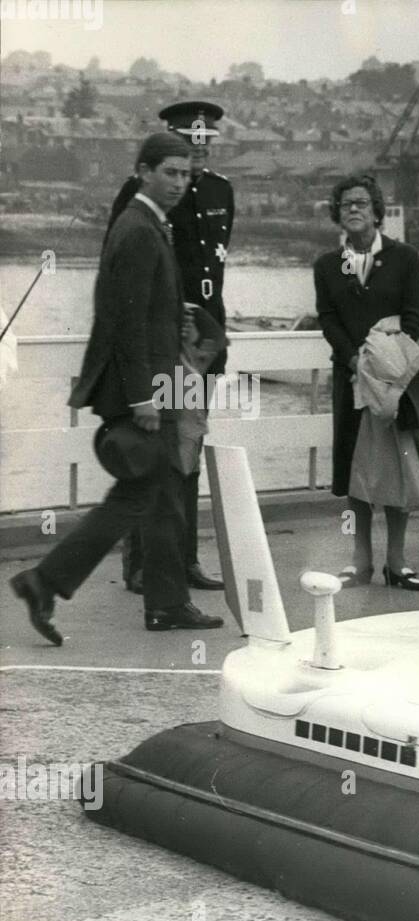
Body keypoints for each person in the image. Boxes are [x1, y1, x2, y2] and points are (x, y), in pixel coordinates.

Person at [10, 133, 225, 643]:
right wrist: (142, 398)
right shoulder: (138, 229)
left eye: (185, 174)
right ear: (143, 172)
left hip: (158, 381)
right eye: (170, 172)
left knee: (155, 495)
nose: (180, 182)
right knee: (146, 494)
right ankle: (54, 582)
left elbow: (142, 309)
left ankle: (154, 601)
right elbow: (124, 322)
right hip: (147, 391)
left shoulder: (150, 226)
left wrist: (179, 315)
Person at [109, 99, 233, 596]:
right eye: (189, 139)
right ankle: (142, 563)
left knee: (189, 451)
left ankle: (184, 558)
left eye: (205, 140)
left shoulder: (222, 189)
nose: (198, 149)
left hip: (200, 344)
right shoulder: (146, 193)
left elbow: (213, 271)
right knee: (155, 454)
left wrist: (212, 342)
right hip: (163, 346)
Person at [313, 173, 419, 590]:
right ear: (337, 214)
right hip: (350, 380)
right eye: (346, 205)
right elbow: (328, 318)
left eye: (362, 203)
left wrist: (390, 368)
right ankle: (360, 561)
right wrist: (352, 360)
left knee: (399, 467)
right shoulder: (327, 266)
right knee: (355, 471)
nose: (355, 210)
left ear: (377, 210)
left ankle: (397, 562)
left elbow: (414, 317)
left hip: (397, 382)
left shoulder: (405, 258)